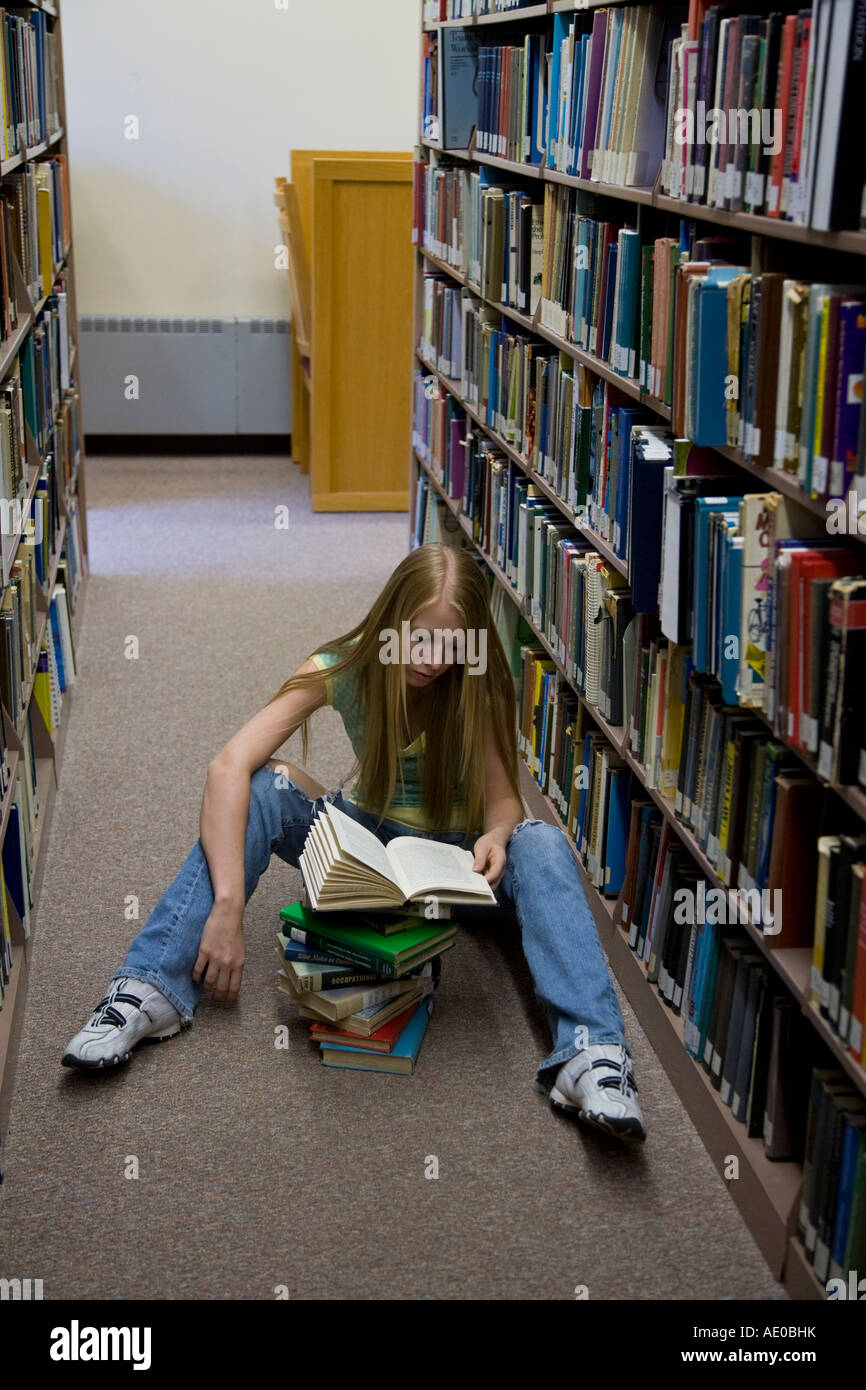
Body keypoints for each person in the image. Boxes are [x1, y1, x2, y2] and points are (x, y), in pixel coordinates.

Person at [63, 543, 646, 1141]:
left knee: (543, 841)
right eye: (417, 638)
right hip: (362, 836)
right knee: (264, 786)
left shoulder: (479, 679)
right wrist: (230, 906)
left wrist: (498, 834)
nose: (429, 658)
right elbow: (228, 766)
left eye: (449, 644)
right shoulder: (343, 665)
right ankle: (147, 987)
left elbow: (503, 798)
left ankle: (590, 1054)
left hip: (456, 856)